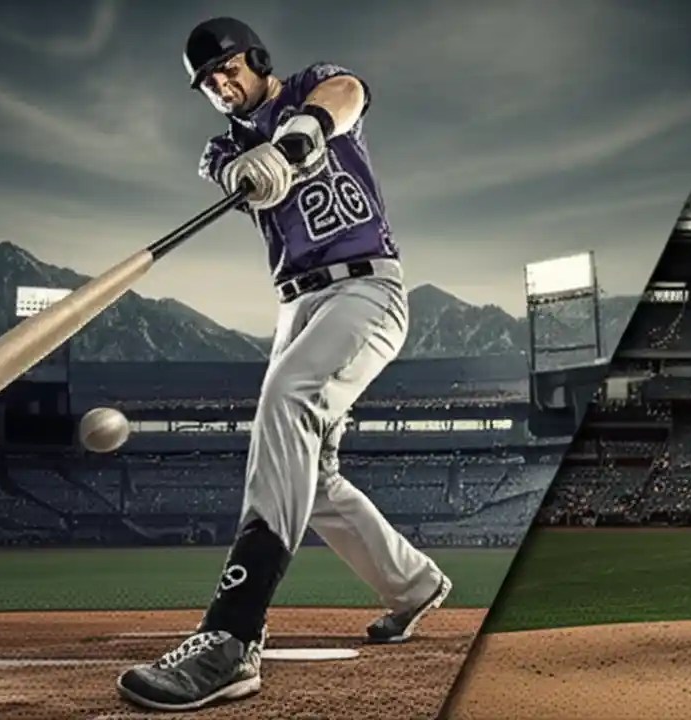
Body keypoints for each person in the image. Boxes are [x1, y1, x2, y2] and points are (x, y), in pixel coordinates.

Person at [115, 17, 451, 712]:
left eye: (230, 68)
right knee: (310, 473)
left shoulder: (307, 88)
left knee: (286, 404)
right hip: (295, 306)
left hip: (366, 288)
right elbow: (226, 169)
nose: (221, 84)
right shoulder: (219, 149)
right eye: (207, 80)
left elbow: (348, 90)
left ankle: (233, 637)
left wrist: (298, 136)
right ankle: (411, 584)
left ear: (258, 59)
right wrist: (248, 164)